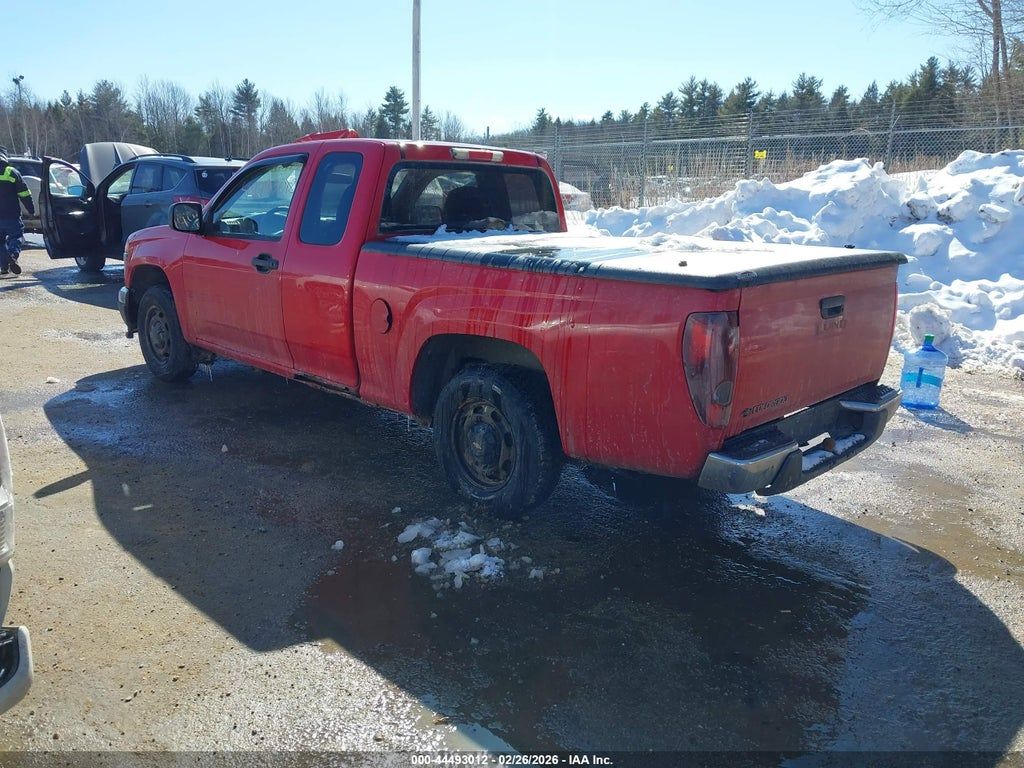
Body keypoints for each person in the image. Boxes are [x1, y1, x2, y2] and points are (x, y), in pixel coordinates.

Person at [0, 145, 35, 276]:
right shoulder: (12, 172)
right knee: (17, 236)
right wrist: (31, 210)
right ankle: (13, 255)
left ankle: (4, 266)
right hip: (11, 215)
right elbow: (24, 193)